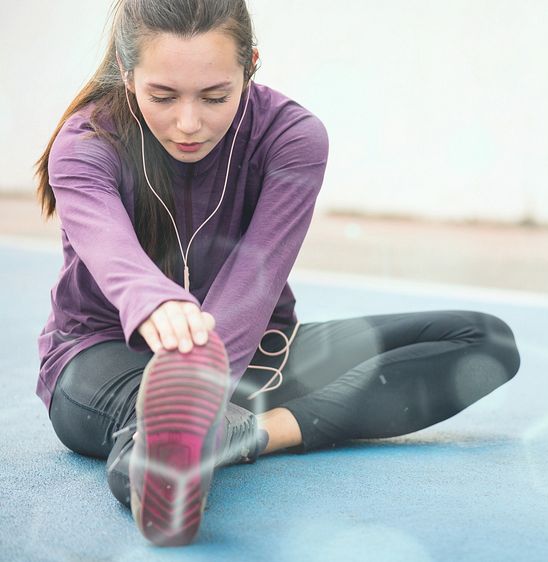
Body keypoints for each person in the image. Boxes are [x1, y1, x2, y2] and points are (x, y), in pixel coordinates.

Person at [33, 0, 521, 547]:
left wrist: (206, 378)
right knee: (172, 429)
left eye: (215, 96)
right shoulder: (86, 144)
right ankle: (177, 449)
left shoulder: (293, 137)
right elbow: (112, 253)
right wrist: (156, 305)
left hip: (254, 357)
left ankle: (250, 434)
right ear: (127, 74)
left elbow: (255, 281)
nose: (189, 123)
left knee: (484, 341)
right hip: (104, 357)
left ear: (252, 65)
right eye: (162, 97)